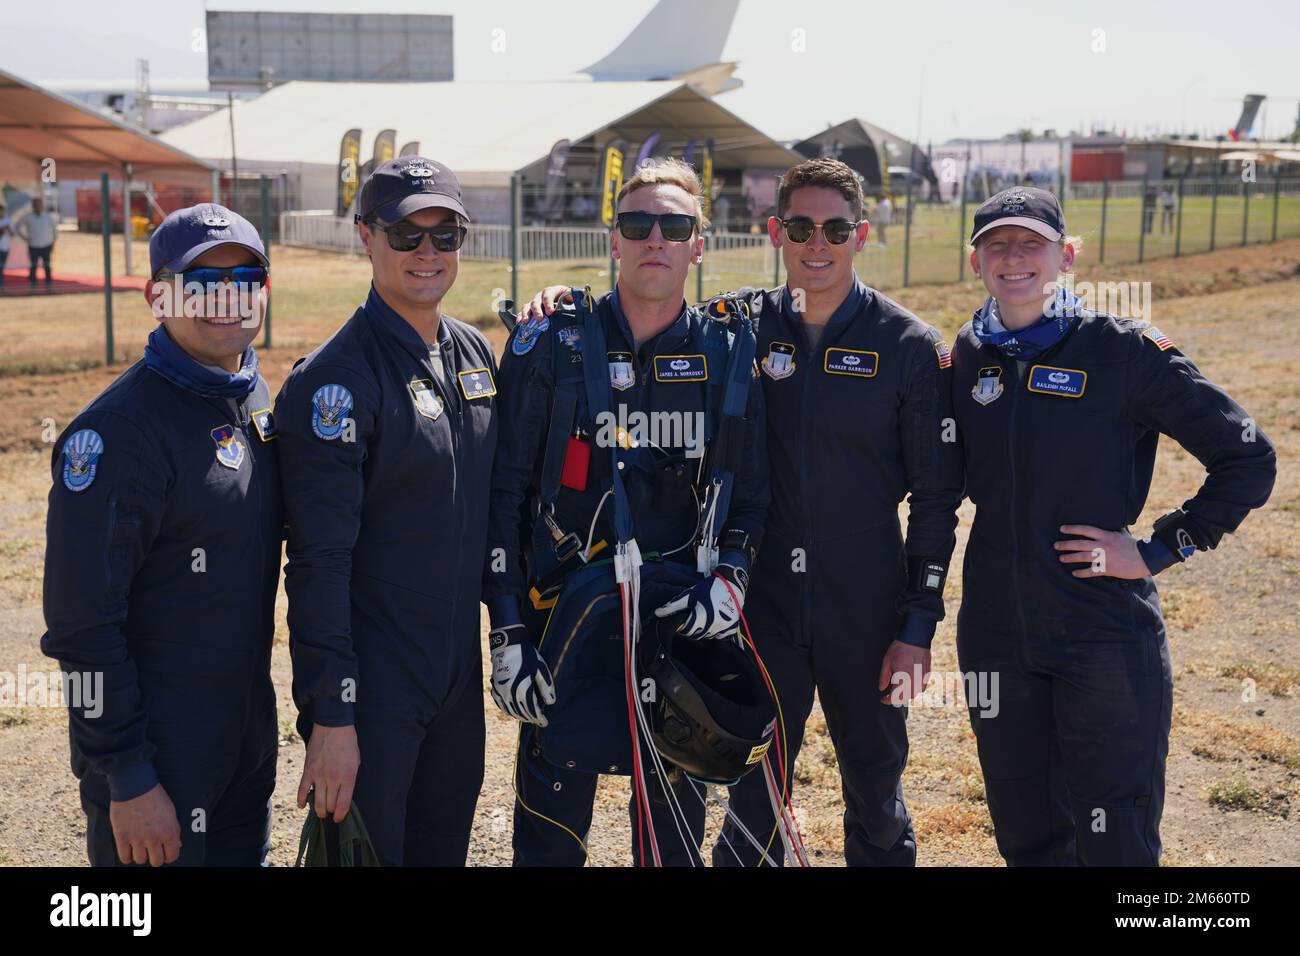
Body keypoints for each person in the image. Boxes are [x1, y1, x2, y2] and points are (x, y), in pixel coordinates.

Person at [951, 186, 1276, 865]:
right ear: (975, 260)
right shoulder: (967, 354)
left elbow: (1246, 456)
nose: (1014, 258)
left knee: (1115, 837)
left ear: (1065, 256)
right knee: (1027, 833)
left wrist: (1161, 547)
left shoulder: (1122, 351)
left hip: (1099, 634)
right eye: (997, 245)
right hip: (997, 631)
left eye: (1030, 243)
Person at [486, 157, 770, 866]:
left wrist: (732, 575)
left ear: (698, 244)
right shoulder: (549, 342)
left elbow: (753, 494)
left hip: (677, 639)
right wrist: (507, 633)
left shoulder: (729, 351)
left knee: (671, 848)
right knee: (547, 847)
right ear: (613, 238)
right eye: (637, 223)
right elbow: (505, 497)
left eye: (674, 226)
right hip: (564, 626)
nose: (655, 239)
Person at [275, 157, 498, 866]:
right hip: (376, 686)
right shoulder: (333, 382)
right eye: (406, 235)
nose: (427, 253)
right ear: (365, 236)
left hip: (457, 681)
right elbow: (316, 565)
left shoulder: (471, 352)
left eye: (446, 234)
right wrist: (332, 717)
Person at [41, 203, 280, 866]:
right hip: (159, 758)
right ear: (157, 296)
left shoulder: (249, 394)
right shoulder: (117, 436)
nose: (227, 297)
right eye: (202, 281)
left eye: (245, 277)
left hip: (242, 742)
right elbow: (81, 627)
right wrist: (127, 775)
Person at [17, 196, 56, 287]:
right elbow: (17, 227)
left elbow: (55, 230)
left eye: (39, 204)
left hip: (46, 245)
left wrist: (53, 242)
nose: (38, 206)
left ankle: (48, 283)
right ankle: (33, 283)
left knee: (47, 265)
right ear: (33, 206)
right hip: (33, 245)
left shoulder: (47, 216)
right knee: (33, 265)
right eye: (36, 205)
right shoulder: (28, 217)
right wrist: (24, 237)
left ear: (42, 205)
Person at [0, 203, 11, 292]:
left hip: (4, 248)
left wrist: (8, 229)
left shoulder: (8, 221)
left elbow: (13, 234)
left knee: (1, 268)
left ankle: (1, 286)